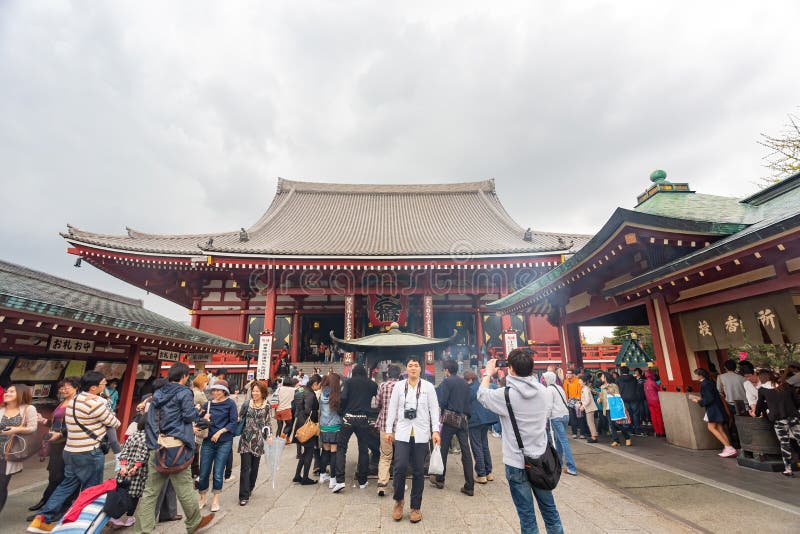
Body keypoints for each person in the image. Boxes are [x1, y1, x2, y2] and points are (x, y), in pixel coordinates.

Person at [478, 350, 564, 534]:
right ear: (532, 368)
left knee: (527, 517)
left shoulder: (505, 395)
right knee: (550, 512)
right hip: (541, 460)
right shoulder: (545, 392)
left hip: (516, 462)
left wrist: (487, 373)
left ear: (510, 369)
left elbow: (482, 395)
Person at [29, 371, 120, 533]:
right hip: (89, 452)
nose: (105, 386)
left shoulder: (72, 401)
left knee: (66, 485)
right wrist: (103, 402)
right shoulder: (96, 403)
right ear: (93, 387)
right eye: (103, 384)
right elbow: (115, 422)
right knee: (91, 490)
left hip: (70, 451)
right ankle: (82, 525)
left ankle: (42, 519)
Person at [385, 356, 441, 524]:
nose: (413, 368)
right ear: (406, 369)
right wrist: (389, 430)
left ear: (420, 369)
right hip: (402, 432)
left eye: (416, 365)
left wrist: (436, 430)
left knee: (418, 470)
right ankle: (398, 501)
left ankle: (415, 507)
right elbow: (392, 408)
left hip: (421, 433)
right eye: (410, 365)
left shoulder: (429, 387)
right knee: (400, 467)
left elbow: (434, 409)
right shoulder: (398, 387)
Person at [28, 377, 80, 517]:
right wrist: (43, 420)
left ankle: (61, 506)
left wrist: (60, 433)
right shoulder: (63, 402)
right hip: (56, 443)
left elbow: (76, 425)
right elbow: (55, 422)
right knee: (54, 474)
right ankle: (46, 500)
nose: (63, 390)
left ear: (76, 387)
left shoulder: (77, 403)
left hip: (68, 443)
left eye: (66, 387)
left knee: (63, 476)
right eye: (61, 387)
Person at [431, 360, 474, 495]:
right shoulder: (465, 383)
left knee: (443, 449)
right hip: (463, 419)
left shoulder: (447, 382)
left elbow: (442, 401)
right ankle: (469, 485)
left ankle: (440, 479)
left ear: (446, 370)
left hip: (450, 418)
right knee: (466, 452)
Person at [332, 364, 378, 493]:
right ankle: (362, 480)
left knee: (341, 448)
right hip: (363, 418)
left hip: (349, 418)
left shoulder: (349, 382)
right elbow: (378, 396)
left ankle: (340, 480)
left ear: (354, 372)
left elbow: (344, 398)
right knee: (363, 449)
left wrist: (342, 412)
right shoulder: (371, 384)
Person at [197, 378, 238, 512]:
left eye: (218, 390)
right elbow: (198, 421)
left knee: (218, 472)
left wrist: (220, 432)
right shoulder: (207, 404)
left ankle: (215, 499)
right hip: (208, 441)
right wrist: (204, 418)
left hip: (224, 441)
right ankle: (202, 497)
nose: (215, 392)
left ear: (224, 392)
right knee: (203, 472)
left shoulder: (230, 404)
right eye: (213, 390)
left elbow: (233, 422)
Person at [1, 384, 39, 514]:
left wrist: (17, 429)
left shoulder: (28, 409)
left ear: (21, 393)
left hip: (9, 453)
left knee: (1, 485)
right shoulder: (1, 409)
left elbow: (33, 427)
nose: (7, 393)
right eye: (7, 391)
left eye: (12, 391)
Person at [755, 369, 800, 476]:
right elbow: (797, 401)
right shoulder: (786, 385)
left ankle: (788, 470)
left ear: (761, 378)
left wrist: (758, 413)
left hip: (779, 420)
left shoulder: (762, 390)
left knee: (784, 443)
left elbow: (759, 407)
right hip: (793, 417)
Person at [108, 415, 149, 528]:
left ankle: (114, 517)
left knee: (121, 493)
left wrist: (123, 466)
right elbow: (143, 456)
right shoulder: (148, 438)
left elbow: (124, 452)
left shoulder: (132, 436)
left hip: (124, 471)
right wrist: (135, 467)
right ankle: (128, 518)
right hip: (137, 474)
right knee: (133, 497)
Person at [237, 380, 272, 505]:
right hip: (246, 439)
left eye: (257, 391)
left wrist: (269, 435)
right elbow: (240, 417)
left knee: (254, 467)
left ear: (263, 392)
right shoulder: (247, 403)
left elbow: (267, 422)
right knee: (245, 468)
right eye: (253, 391)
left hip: (258, 440)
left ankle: (250, 487)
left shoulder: (267, 405)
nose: (255, 393)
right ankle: (243, 496)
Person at [689, 368, 737, 458]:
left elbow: (709, 398)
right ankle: (728, 447)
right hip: (717, 407)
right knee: (720, 428)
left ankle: (729, 447)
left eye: (696, 374)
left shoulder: (705, 384)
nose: (695, 376)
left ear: (700, 375)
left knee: (711, 427)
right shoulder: (709, 382)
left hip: (713, 409)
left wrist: (698, 401)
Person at [464, 370, 498, 483]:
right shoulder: (482, 386)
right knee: (484, 445)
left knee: (476, 446)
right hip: (486, 419)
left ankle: (481, 473)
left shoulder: (470, 389)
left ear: (468, 379)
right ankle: (489, 472)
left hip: (475, 420)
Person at [542, 371, 577, 476]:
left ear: (548, 379)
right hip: (565, 415)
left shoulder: (549, 390)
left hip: (556, 417)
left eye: (544, 378)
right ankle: (559, 464)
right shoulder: (559, 387)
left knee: (563, 441)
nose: (542, 380)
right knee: (558, 441)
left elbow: (548, 406)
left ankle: (572, 468)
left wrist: (545, 420)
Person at [291, 374, 322, 485]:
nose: (320, 387)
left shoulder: (303, 390)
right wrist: (315, 413)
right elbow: (307, 410)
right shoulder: (310, 394)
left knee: (305, 452)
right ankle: (305, 478)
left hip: (301, 423)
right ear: (315, 384)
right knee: (309, 452)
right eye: (319, 385)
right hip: (307, 426)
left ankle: (297, 475)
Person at [375, 365, 400, 496]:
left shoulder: (382, 385)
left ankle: (382, 484)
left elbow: (377, 403)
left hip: (385, 426)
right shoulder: (404, 386)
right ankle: (398, 483)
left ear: (388, 374)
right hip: (401, 428)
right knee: (400, 457)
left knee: (385, 456)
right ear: (399, 375)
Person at [318, 373, 343, 487]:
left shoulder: (322, 393)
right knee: (334, 453)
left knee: (325, 451)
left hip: (323, 426)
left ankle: (322, 475)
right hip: (334, 426)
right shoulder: (336, 394)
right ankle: (333, 479)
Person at [598, 372, 631, 447]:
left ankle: (627, 437)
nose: (601, 378)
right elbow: (602, 396)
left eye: (602, 376)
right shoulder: (602, 386)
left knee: (617, 423)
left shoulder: (614, 385)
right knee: (611, 425)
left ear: (606, 377)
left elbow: (617, 395)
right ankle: (616, 440)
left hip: (614, 408)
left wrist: (608, 390)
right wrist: (600, 398)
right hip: (607, 408)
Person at [617, 367, 644, 436]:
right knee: (635, 414)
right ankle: (637, 430)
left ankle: (630, 430)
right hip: (634, 398)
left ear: (621, 371)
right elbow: (637, 388)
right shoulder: (633, 378)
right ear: (628, 371)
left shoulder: (618, 379)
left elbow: (617, 390)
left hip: (624, 398)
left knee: (628, 414)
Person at [562, 369, 583, 439]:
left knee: (580, 417)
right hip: (569, 402)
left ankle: (582, 433)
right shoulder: (565, 382)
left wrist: (579, 400)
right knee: (572, 418)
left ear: (573, 374)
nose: (568, 375)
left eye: (570, 373)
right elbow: (565, 392)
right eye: (567, 373)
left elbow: (580, 391)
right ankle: (574, 433)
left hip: (577, 401)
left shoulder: (577, 381)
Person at [643, 370, 665, 436]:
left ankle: (657, 431)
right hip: (656, 400)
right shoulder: (653, 382)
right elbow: (659, 389)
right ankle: (661, 432)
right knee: (658, 416)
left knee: (653, 416)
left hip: (649, 401)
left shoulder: (645, 383)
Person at [579, 374, 599, 443]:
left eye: (580, 381)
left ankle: (594, 437)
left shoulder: (586, 389)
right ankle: (593, 436)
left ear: (584, 382)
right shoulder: (585, 388)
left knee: (590, 423)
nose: (579, 382)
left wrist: (583, 406)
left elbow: (588, 400)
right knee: (590, 422)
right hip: (589, 408)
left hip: (589, 408)